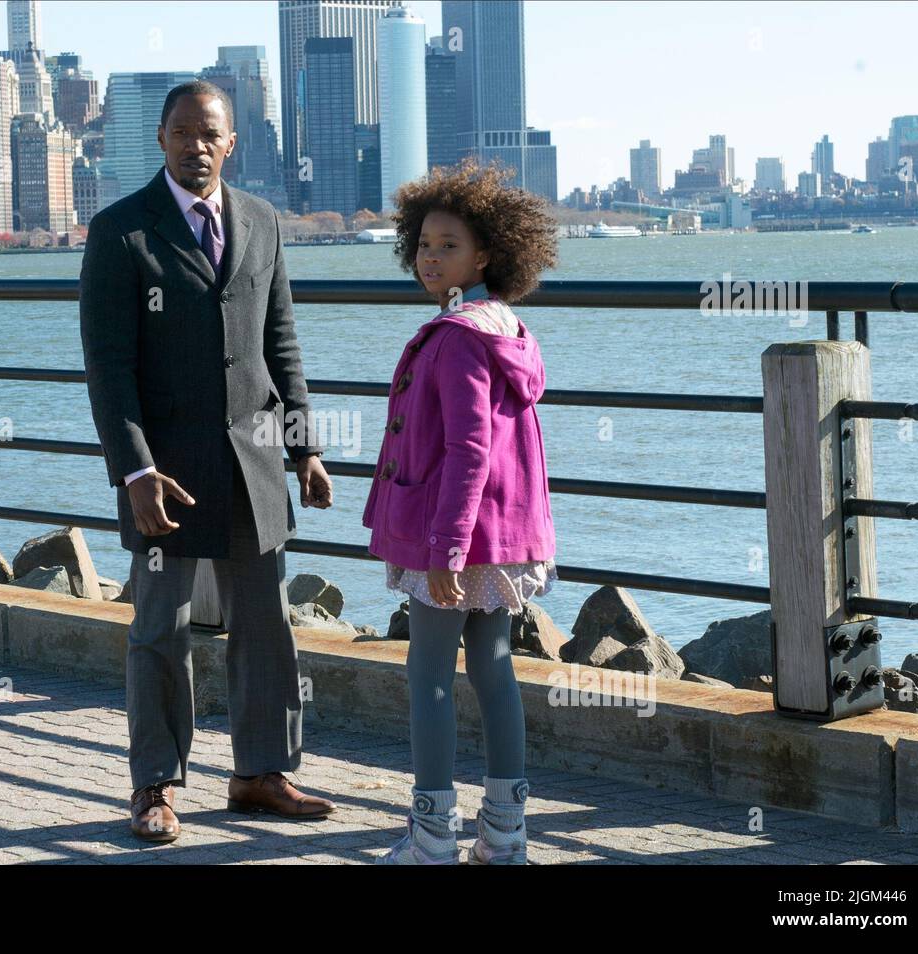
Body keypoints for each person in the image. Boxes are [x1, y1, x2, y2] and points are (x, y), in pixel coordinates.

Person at [79, 81, 337, 845]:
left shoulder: (260, 221)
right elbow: (108, 367)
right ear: (160, 139)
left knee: (267, 625)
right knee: (161, 630)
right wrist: (134, 473)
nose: (196, 145)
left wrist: (305, 447)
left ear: (231, 144)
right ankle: (154, 786)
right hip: (166, 475)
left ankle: (261, 773)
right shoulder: (121, 231)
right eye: (182, 132)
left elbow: (280, 342)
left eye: (210, 134)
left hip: (254, 461)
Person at [362, 159, 559, 864]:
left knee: (429, 675)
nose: (429, 256)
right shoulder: (507, 333)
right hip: (503, 536)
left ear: (485, 255)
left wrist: (444, 552)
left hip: (454, 540)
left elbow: (468, 450)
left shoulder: (454, 340)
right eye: (422, 244)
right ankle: (505, 838)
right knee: (495, 666)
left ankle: (431, 838)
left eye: (448, 245)